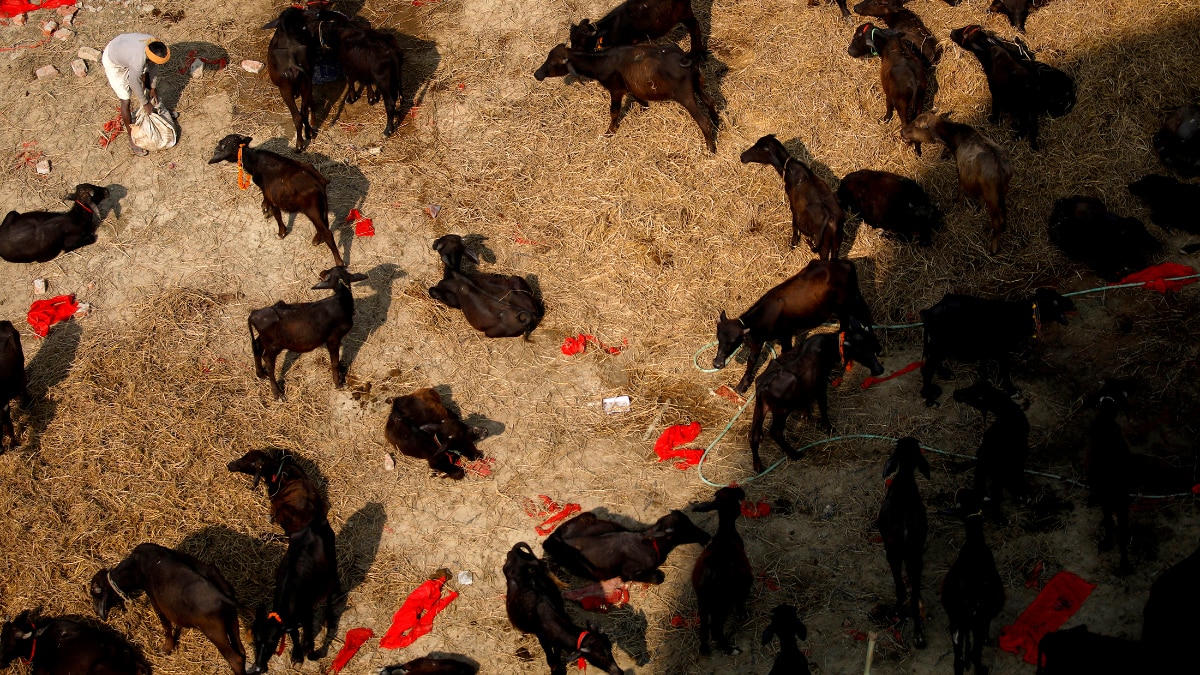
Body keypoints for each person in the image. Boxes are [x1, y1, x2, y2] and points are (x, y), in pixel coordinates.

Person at [100, 34, 170, 156]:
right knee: (125, 100)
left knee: (145, 79)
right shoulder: (137, 61)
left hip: (123, 46)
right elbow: (134, 82)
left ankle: (152, 114)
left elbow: (153, 67)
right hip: (113, 59)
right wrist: (145, 103)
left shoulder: (154, 44)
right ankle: (132, 138)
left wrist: (152, 88)